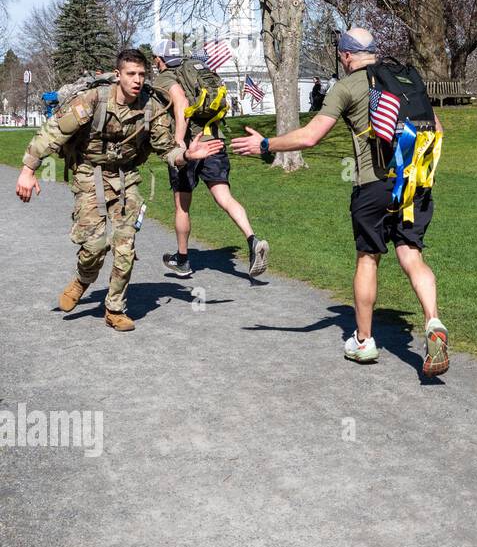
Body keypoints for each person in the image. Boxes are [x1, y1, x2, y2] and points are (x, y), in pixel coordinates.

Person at [230, 27, 450, 377]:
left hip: (373, 187)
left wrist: (266, 145)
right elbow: (436, 129)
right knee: (411, 255)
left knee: (368, 259)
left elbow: (311, 136)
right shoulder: (405, 78)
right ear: (374, 51)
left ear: (346, 55)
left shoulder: (346, 86)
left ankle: (364, 342)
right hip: (414, 186)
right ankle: (433, 320)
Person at [14, 47, 223, 331]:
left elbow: (166, 148)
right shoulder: (94, 99)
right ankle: (82, 279)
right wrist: (28, 170)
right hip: (89, 174)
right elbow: (54, 132)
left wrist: (186, 155)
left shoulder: (152, 106)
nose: (137, 80)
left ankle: (114, 308)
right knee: (95, 245)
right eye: (131, 74)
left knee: (125, 245)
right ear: (118, 75)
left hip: (126, 177)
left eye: (141, 74)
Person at [151, 40, 269, 278]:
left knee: (182, 206)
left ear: (158, 59)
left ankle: (183, 260)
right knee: (225, 198)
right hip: (214, 142)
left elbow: (181, 103)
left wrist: (179, 143)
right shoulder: (196, 70)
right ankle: (252, 239)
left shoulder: (166, 77)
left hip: (191, 148)